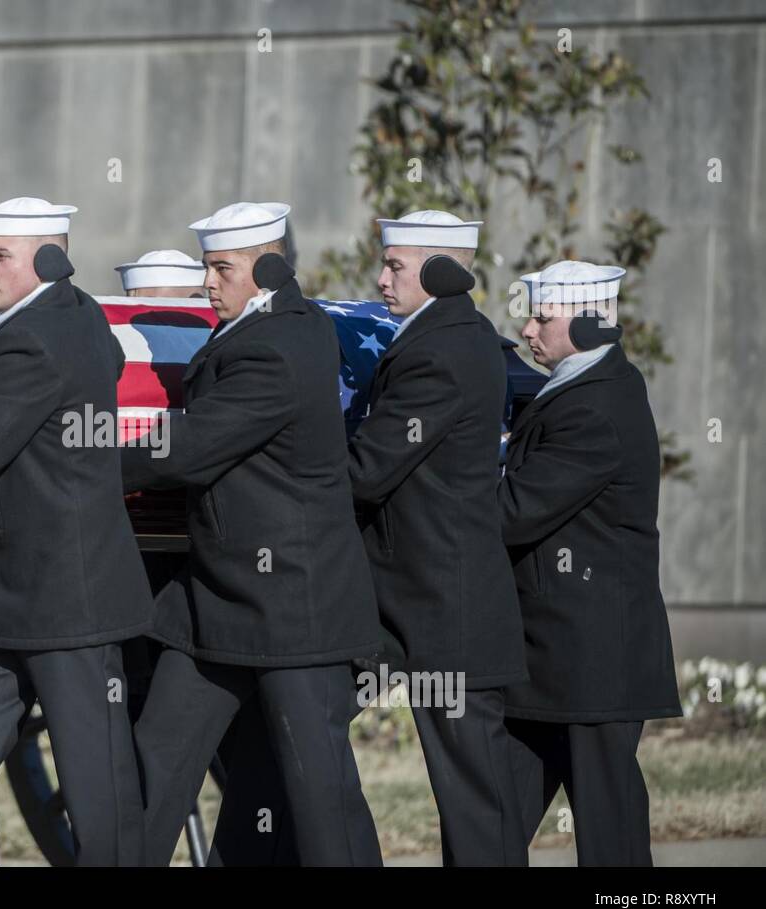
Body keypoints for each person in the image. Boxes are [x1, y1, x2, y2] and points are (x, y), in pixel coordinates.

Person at [123, 201, 383, 866]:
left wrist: (87, 450)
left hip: (295, 607)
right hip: (216, 601)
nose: (207, 282)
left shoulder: (280, 343)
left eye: (221, 268)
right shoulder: (262, 326)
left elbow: (192, 446)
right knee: (153, 770)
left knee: (321, 794)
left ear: (266, 268)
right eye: (208, 267)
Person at [0, 197, 152, 866]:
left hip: (64, 600)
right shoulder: (83, 316)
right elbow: (105, 361)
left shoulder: (26, 340)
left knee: (93, 784)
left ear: (48, 261)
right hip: (4, 600)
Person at [346, 209, 527, 865]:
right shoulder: (445, 337)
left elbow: (370, 469)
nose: (381, 277)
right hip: (410, 601)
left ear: (440, 269)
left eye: (395, 265)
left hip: (446, 606)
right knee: (306, 724)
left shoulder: (442, 349)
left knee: (473, 798)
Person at [499, 260, 681, 865]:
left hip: (594, 658)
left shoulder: (593, 407)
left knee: (609, 830)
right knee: (494, 817)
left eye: (542, 318)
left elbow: (516, 510)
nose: (528, 330)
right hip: (553, 657)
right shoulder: (583, 388)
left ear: (586, 325)